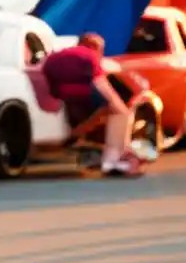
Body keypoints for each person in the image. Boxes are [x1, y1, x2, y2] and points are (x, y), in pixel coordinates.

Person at [42, 33, 137, 176]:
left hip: (62, 93)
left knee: (101, 110)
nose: (102, 53)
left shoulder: (56, 56)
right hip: (84, 90)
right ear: (94, 47)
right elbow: (103, 87)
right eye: (101, 50)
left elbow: (50, 82)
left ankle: (78, 134)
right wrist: (120, 108)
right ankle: (113, 159)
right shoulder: (90, 56)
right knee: (119, 112)